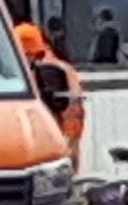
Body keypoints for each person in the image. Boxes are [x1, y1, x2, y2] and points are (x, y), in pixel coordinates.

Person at [15, 21, 85, 167]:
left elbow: (49, 101)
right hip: (69, 125)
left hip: (59, 127)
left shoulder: (45, 69)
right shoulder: (59, 65)